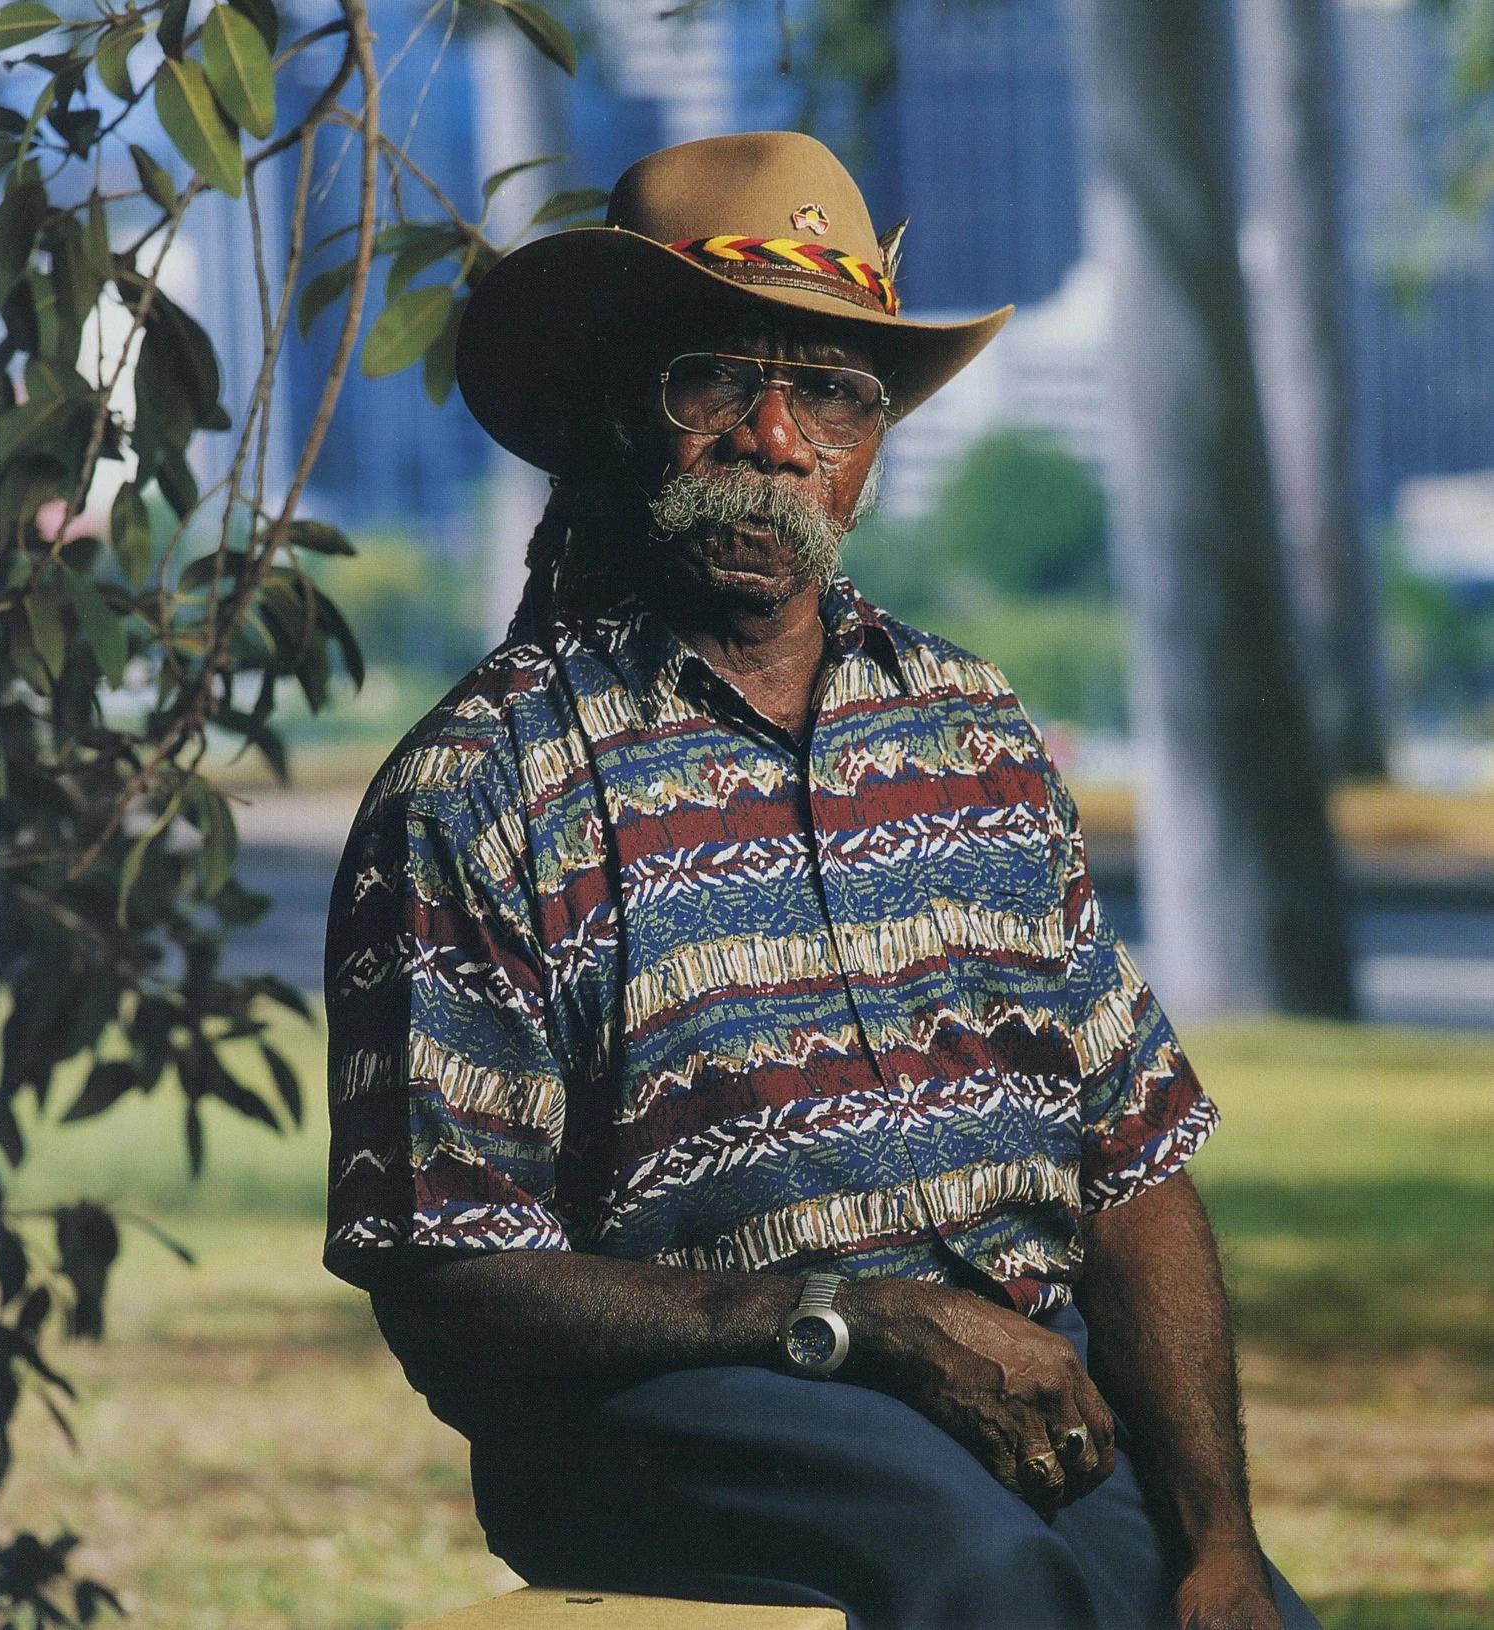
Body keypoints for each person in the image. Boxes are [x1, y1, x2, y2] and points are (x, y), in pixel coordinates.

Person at [323, 131, 1319, 1630]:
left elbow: (1134, 1168)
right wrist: (850, 1322)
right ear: (615, 403)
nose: (773, 435)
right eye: (712, 376)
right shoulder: (482, 788)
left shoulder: (974, 733)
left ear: (868, 440)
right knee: (989, 1576)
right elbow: (450, 1283)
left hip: (1021, 1396)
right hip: (667, 1410)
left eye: (833, 391)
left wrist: (1223, 1537)